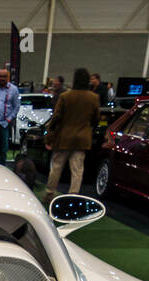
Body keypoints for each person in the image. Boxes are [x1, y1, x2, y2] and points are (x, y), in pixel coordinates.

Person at [43, 68, 101, 203]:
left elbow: (57, 117)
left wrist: (51, 130)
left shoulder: (65, 96)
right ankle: (73, 196)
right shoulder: (94, 97)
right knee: (77, 169)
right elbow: (96, 118)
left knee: (56, 166)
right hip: (82, 138)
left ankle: (49, 194)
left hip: (64, 137)